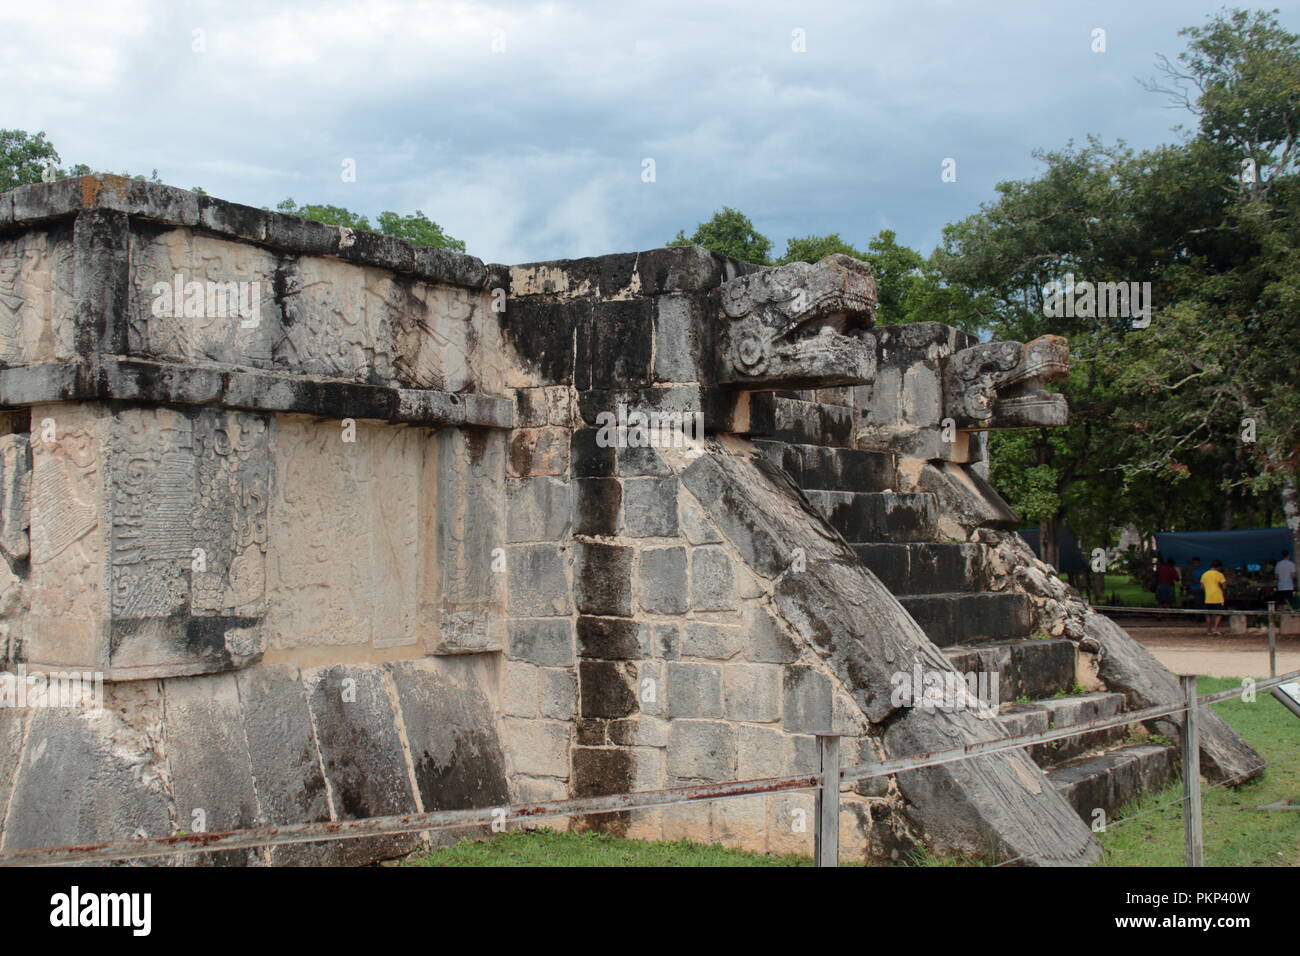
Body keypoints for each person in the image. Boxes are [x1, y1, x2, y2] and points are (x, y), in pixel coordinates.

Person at [1201, 559, 1228, 636]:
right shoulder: (1219, 574)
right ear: (1218, 567)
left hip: (1208, 597)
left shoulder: (1204, 574)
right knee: (1219, 613)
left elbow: (1202, 587)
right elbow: (1225, 586)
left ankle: (1208, 630)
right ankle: (1215, 629)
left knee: (1208, 614)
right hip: (1218, 597)